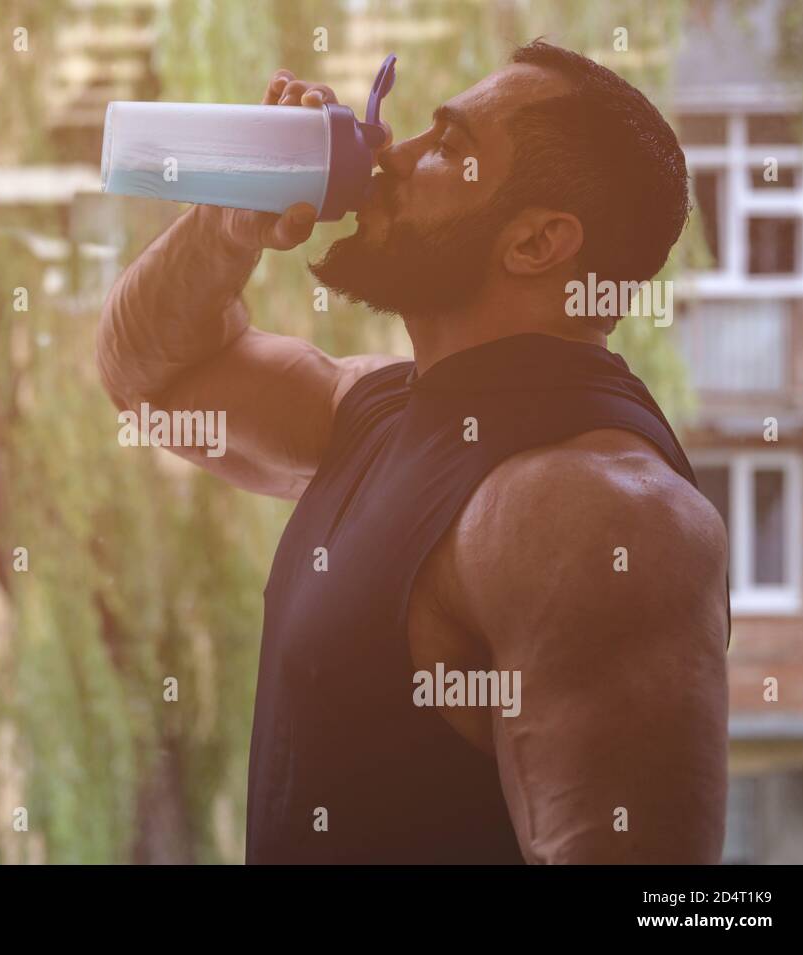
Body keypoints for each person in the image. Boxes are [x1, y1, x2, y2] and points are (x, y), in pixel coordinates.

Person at [96, 40, 730, 863]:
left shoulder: (598, 510)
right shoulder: (376, 410)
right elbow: (148, 378)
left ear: (538, 243)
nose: (392, 154)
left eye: (450, 148)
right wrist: (225, 228)